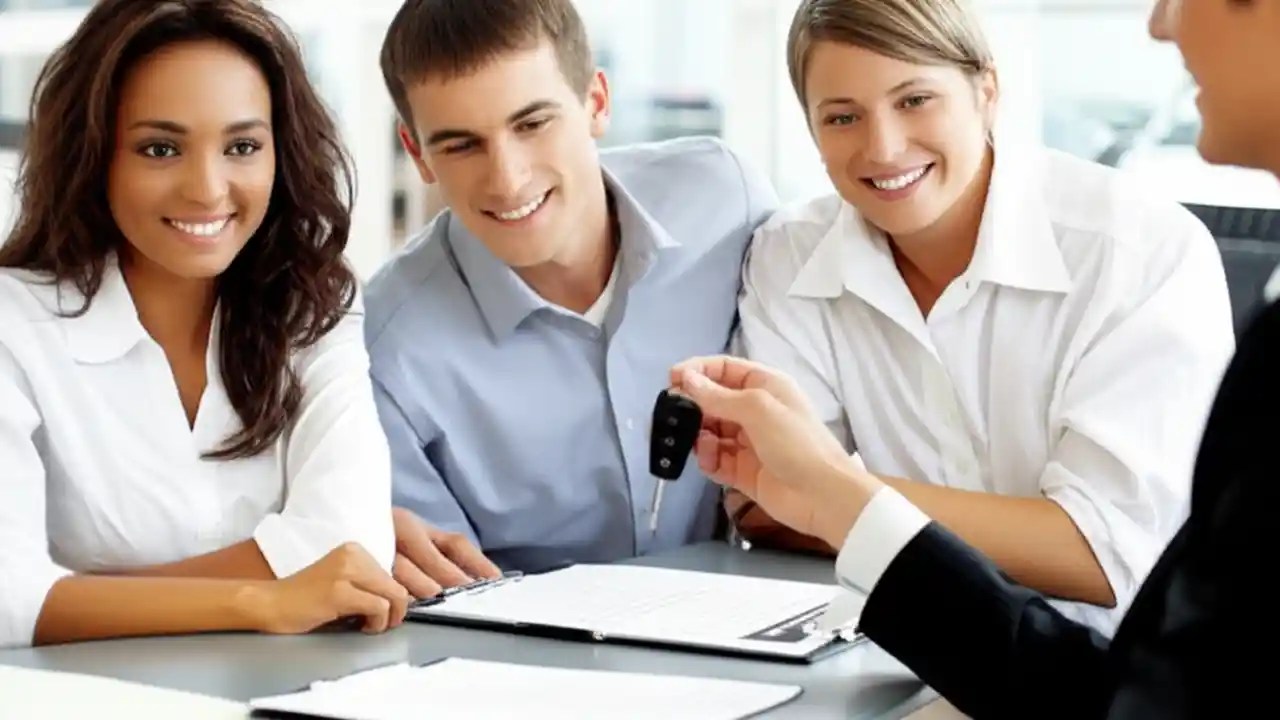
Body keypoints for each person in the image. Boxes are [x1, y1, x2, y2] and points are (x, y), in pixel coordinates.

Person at [671, 0, 1280, 714]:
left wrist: (832, 491)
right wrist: (821, 491)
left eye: (915, 100)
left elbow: (1102, 555)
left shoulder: (1137, 249)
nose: (883, 147)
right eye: (841, 117)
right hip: (902, 661)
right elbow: (765, 504)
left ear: (987, 90)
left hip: (1099, 683)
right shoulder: (789, 252)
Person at [0, 0, 409, 649]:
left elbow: (349, 544)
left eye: (242, 146)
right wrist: (262, 599)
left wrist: (74, 595)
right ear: (95, 154)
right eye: (160, 149)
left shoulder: (311, 304)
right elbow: (7, 600)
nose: (207, 189)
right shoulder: (14, 326)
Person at [365, 0, 778, 591]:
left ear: (596, 103)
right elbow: (450, 604)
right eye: (461, 145)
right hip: (527, 645)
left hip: (756, 611)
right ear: (417, 154)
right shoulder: (386, 351)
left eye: (532, 124)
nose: (508, 179)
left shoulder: (725, 199)